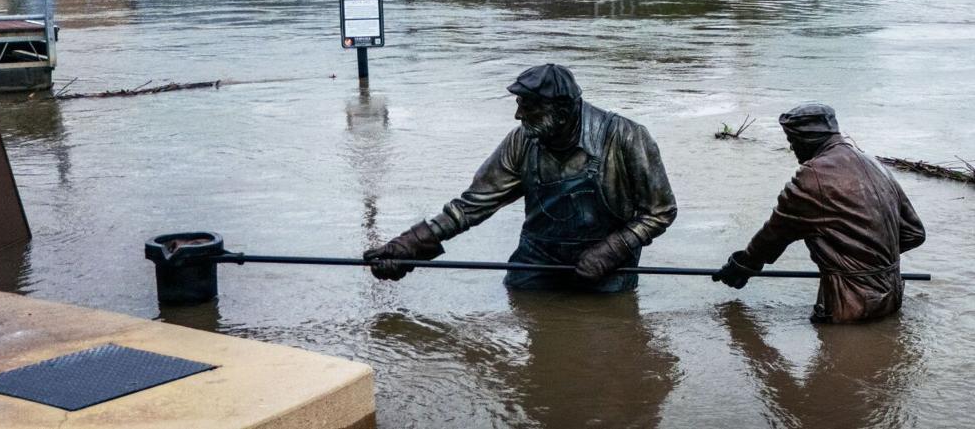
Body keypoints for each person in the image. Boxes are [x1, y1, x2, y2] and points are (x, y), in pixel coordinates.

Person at [364, 64, 677, 292]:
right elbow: (471, 206)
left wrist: (612, 250)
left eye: (529, 109)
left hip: (606, 265)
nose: (518, 117)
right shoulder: (521, 140)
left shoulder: (626, 137)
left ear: (564, 113)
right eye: (519, 107)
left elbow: (661, 211)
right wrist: (408, 246)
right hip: (537, 260)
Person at [713, 103, 925, 323]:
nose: (793, 150)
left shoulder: (811, 178)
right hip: (892, 296)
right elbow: (914, 233)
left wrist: (741, 266)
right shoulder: (874, 164)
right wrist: (873, 262)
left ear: (807, 138)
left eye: (792, 141)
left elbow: (775, 234)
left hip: (850, 306)